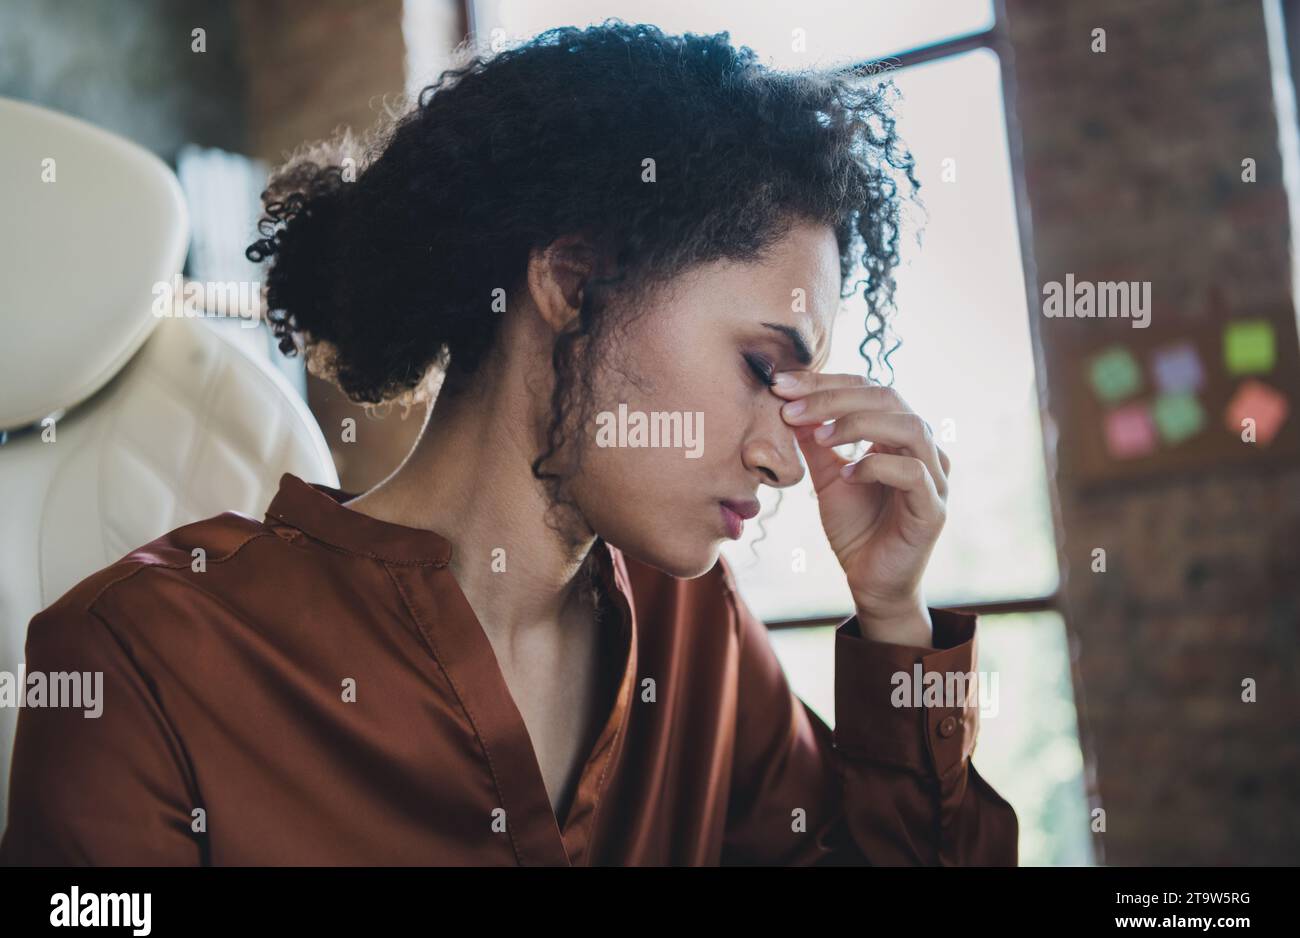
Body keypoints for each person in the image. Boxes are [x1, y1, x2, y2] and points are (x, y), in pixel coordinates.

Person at [0, 20, 1016, 865]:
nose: (785, 458)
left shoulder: (693, 632)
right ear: (571, 284)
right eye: (760, 366)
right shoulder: (142, 660)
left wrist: (891, 616)